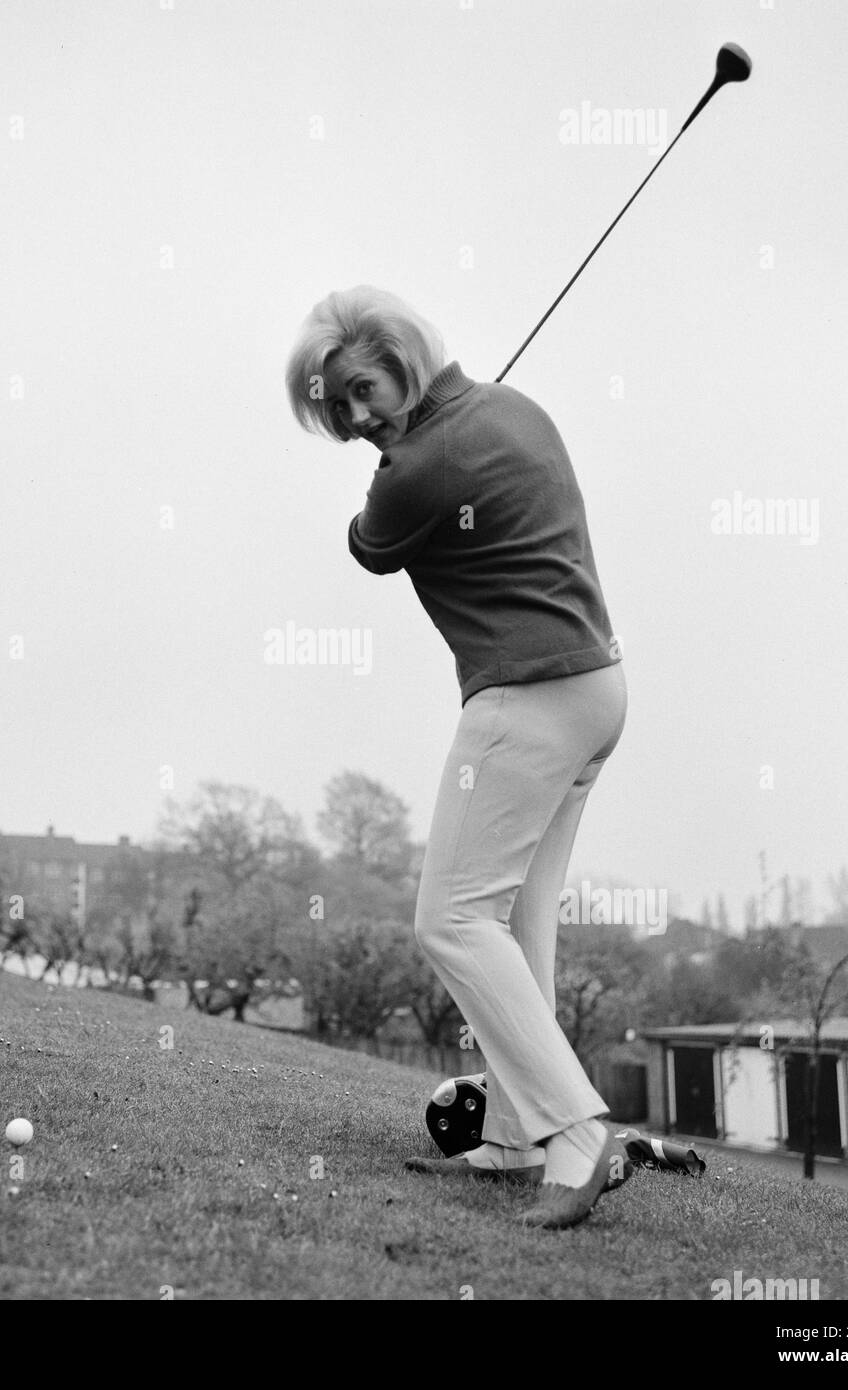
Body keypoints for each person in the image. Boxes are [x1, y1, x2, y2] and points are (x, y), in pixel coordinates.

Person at [284, 286, 631, 1229]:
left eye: (363, 391)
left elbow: (369, 548)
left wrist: (406, 461)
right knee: (519, 926)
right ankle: (517, 1134)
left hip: (522, 698)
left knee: (449, 921)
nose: (356, 420)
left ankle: (574, 1132)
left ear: (401, 357)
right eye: (337, 409)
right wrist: (423, 443)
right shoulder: (514, 410)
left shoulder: (411, 470)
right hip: (596, 691)